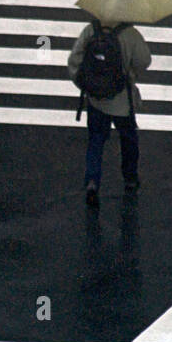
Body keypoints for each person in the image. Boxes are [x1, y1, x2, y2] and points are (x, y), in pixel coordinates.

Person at [68, 20, 151, 207]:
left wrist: (86, 84)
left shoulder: (91, 31)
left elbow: (74, 60)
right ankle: (130, 178)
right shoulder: (130, 34)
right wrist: (130, 74)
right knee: (128, 138)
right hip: (122, 100)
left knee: (96, 140)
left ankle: (92, 182)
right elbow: (144, 60)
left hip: (97, 100)